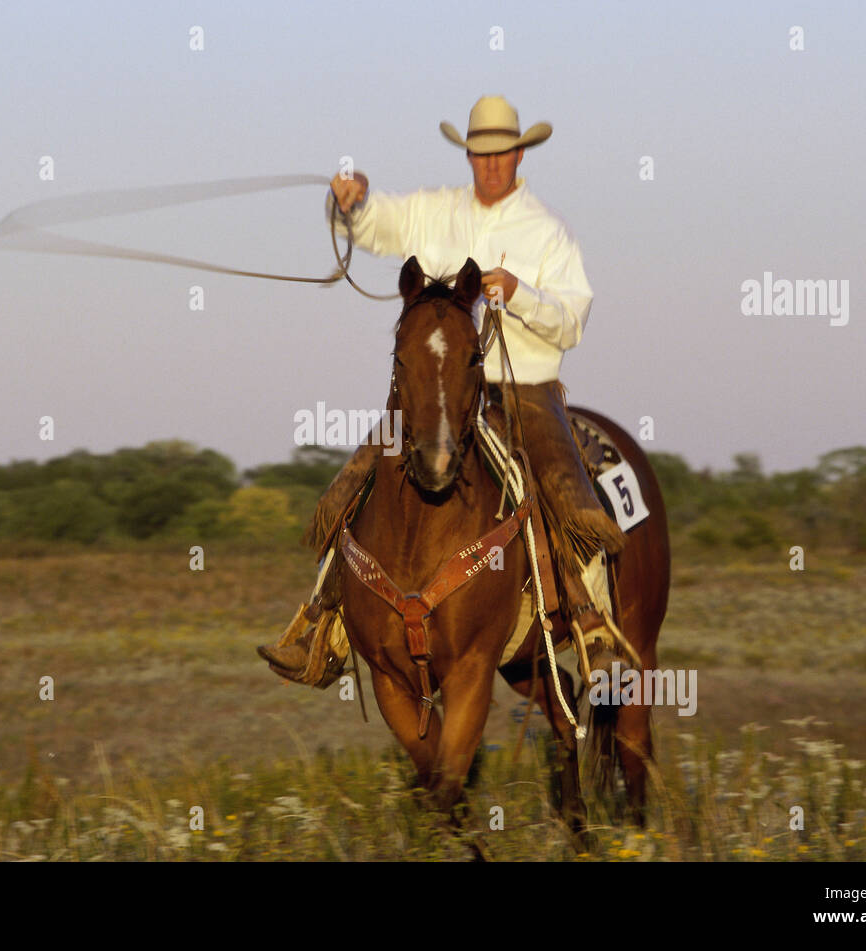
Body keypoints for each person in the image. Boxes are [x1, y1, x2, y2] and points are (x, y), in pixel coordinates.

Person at [258, 95, 629, 686]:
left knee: (569, 490)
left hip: (523, 386)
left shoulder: (549, 231)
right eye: (479, 154)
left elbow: (573, 321)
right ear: (468, 156)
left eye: (500, 153)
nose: (489, 165)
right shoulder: (435, 211)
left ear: (519, 153)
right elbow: (378, 225)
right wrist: (348, 204)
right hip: (440, 392)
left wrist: (521, 293)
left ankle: (593, 630)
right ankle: (322, 621)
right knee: (358, 476)